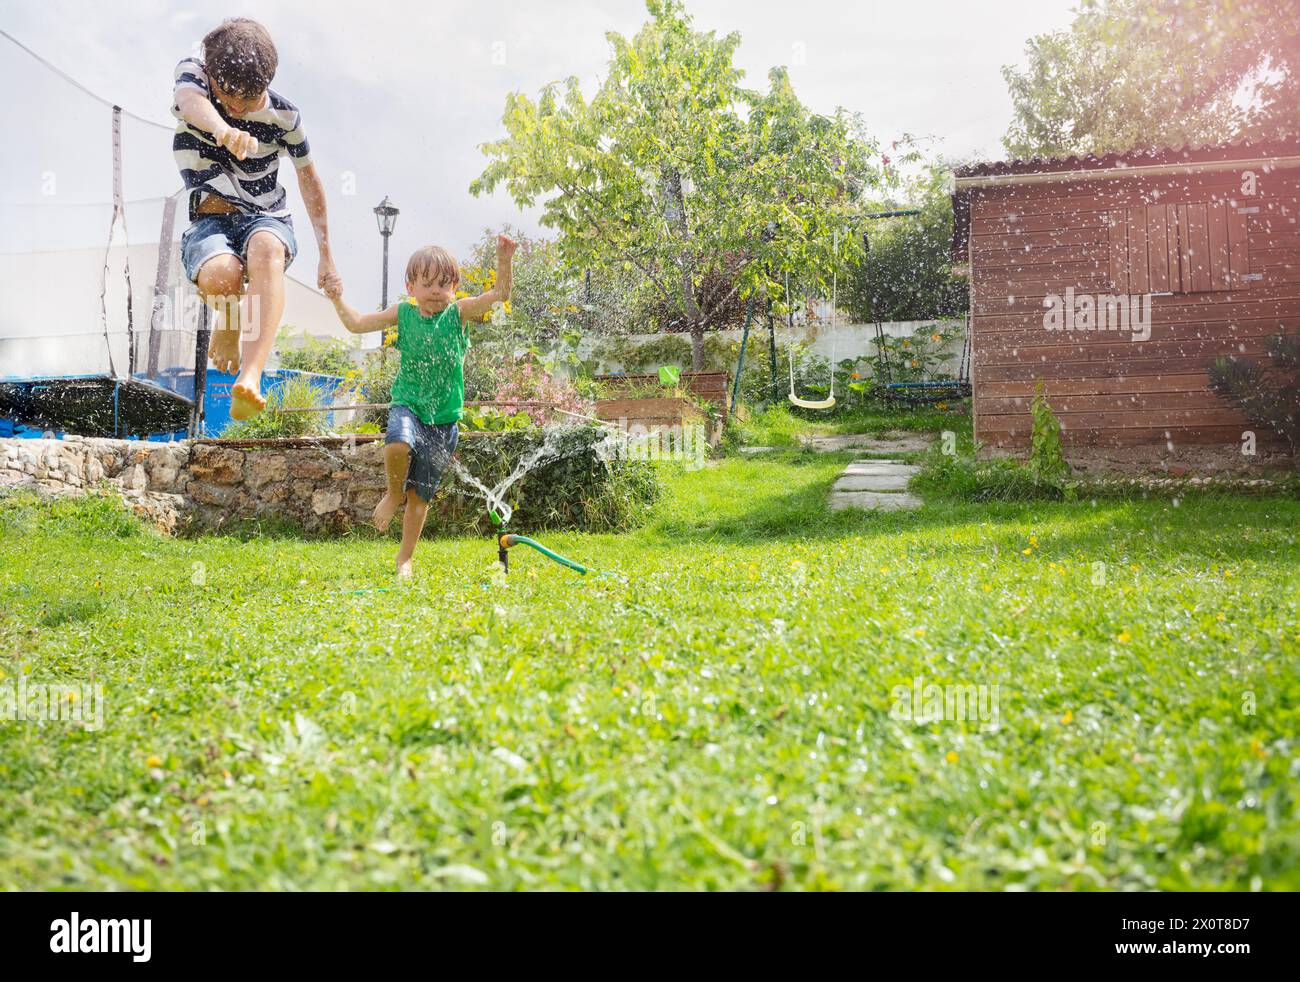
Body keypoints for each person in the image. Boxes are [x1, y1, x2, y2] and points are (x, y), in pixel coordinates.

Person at [172, 17, 341, 420]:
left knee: (266, 248)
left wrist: (326, 254)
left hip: (267, 216)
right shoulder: (194, 74)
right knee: (222, 278)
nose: (234, 107)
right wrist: (223, 129)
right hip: (210, 220)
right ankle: (229, 319)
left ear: (267, 84)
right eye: (227, 96)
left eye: (247, 101)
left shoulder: (286, 118)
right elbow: (191, 103)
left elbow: (310, 181)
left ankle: (250, 376)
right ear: (211, 74)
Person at [326, 235, 518, 577]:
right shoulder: (403, 314)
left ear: (455, 287)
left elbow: (500, 295)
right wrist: (337, 297)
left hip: (444, 420)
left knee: (422, 498)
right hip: (409, 404)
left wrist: (505, 259)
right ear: (410, 286)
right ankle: (392, 493)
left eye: (443, 285)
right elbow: (356, 324)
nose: (434, 291)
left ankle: (405, 559)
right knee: (397, 443)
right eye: (426, 283)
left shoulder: (459, 313)